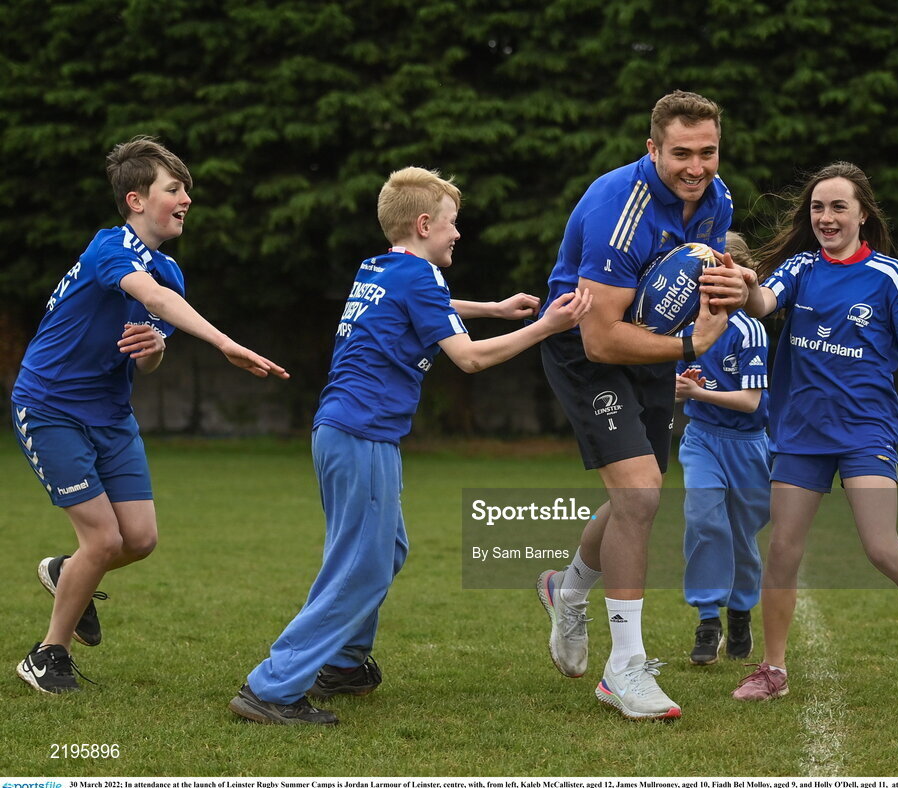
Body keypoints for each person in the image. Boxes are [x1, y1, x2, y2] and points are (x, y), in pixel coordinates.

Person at [228, 166, 591, 726]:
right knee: (362, 566)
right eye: (451, 223)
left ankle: (343, 664)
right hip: (364, 433)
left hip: (343, 431)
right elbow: (469, 359)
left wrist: (493, 309)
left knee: (385, 551)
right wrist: (547, 326)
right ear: (424, 225)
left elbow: (427, 304)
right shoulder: (419, 277)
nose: (457, 233)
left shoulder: (381, 268)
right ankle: (272, 687)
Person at [12, 136, 290, 695]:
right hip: (50, 407)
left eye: (186, 189)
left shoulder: (171, 272)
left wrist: (156, 347)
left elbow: (149, 351)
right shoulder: (109, 247)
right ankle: (48, 654)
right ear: (136, 200)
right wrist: (225, 343)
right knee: (102, 540)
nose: (186, 198)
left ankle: (67, 573)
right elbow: (155, 299)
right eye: (174, 188)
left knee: (139, 539)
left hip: (112, 415)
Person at [732, 161, 898, 701]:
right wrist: (746, 284)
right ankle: (773, 670)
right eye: (817, 208)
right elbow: (762, 304)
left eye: (838, 207)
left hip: (864, 430)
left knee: (881, 547)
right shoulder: (800, 267)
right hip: (801, 431)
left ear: (862, 214)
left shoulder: (890, 276)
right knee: (782, 549)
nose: (825, 217)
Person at [534, 90, 747, 721]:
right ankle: (624, 667)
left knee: (637, 495)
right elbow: (599, 338)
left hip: (651, 346)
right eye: (681, 153)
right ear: (652, 149)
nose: (696, 168)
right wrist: (690, 344)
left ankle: (567, 591)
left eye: (708, 152)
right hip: (586, 350)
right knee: (641, 496)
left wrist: (732, 292)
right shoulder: (617, 208)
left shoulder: (717, 199)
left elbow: (698, 281)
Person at [674, 231, 771, 666]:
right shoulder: (684, 327)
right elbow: (674, 384)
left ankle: (740, 610)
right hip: (702, 438)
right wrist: (679, 390)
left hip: (747, 446)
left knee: (741, 537)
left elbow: (750, 402)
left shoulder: (750, 331)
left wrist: (696, 392)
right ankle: (708, 618)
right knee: (703, 518)